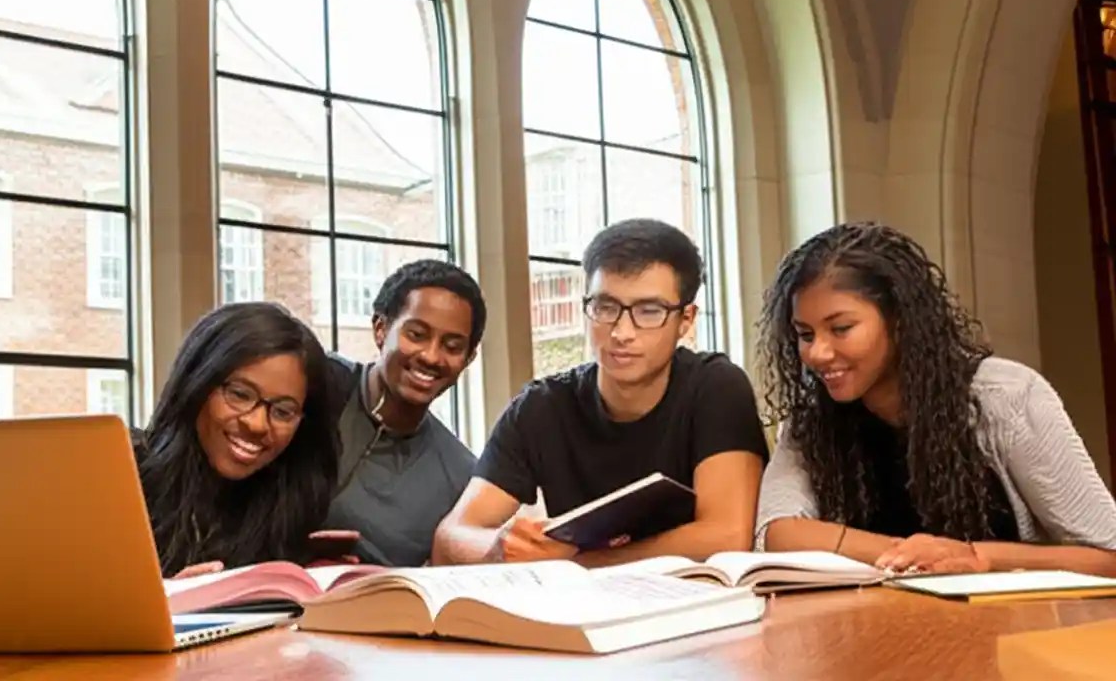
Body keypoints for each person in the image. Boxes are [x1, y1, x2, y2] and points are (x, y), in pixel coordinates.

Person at [754, 221, 1116, 576]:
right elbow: (778, 532)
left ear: (899, 320)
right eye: (804, 334)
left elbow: (1108, 555)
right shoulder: (812, 421)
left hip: (1011, 630)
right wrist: (912, 555)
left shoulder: (1006, 397)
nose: (817, 353)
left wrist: (977, 557)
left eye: (841, 329)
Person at [432, 218, 769, 567]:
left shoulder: (715, 386)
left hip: (705, 608)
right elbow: (451, 536)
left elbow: (727, 534)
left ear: (686, 319)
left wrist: (581, 562)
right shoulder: (542, 408)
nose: (622, 332)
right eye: (606, 308)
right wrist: (498, 546)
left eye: (648, 312)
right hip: (585, 612)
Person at [134, 302, 340, 578]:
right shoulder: (121, 476)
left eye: (282, 411)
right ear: (197, 382)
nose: (256, 424)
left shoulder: (287, 503)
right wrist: (167, 599)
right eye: (240, 395)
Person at [323, 259, 486, 567]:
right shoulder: (319, 386)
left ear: (468, 358)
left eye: (452, 346)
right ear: (381, 329)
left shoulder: (461, 476)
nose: (431, 356)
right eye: (416, 334)